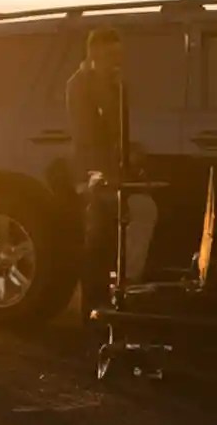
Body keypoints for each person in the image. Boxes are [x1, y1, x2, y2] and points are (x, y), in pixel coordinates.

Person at [66, 27, 158, 322]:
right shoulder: (80, 86)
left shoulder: (118, 86)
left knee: (126, 223)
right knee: (97, 239)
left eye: (119, 55)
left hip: (115, 172)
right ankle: (95, 307)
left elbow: (120, 130)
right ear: (93, 54)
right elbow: (87, 136)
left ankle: (122, 289)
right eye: (109, 55)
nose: (116, 61)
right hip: (92, 175)